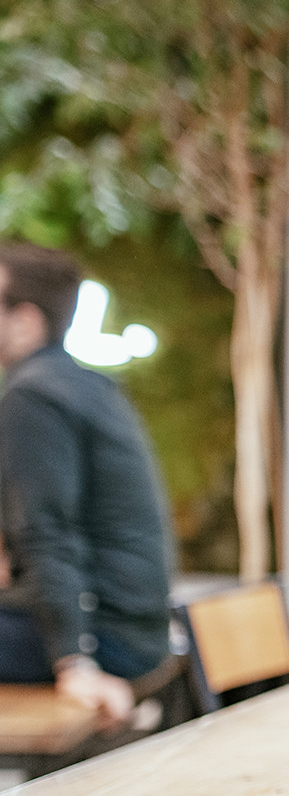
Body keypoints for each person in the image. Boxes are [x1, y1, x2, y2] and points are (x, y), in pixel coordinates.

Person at [0, 244, 173, 730]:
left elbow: (49, 531)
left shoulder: (32, 396)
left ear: (26, 322)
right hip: (135, 632)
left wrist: (74, 663)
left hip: (103, 640)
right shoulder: (83, 385)